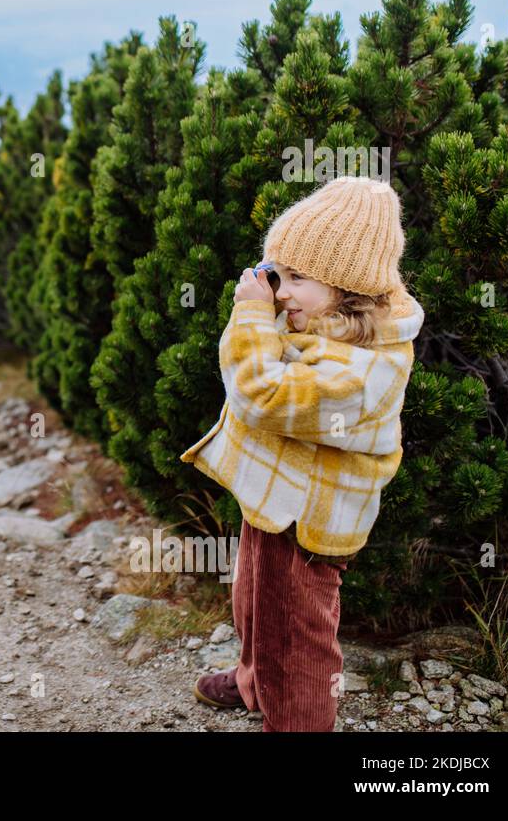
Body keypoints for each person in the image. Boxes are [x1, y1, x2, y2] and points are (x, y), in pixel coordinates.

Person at [182, 175, 424, 731]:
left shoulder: (366, 366)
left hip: (311, 521)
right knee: (253, 599)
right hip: (275, 498)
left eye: (295, 277)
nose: (280, 290)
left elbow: (263, 395)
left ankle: (298, 718)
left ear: (347, 286)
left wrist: (249, 318)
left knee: (296, 636)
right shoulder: (321, 322)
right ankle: (253, 683)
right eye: (276, 273)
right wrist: (270, 305)